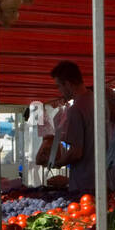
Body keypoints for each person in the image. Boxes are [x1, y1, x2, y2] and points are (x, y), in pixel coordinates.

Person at [50, 61, 96, 196]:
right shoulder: (98, 102)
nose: (60, 91)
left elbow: (76, 152)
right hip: (104, 178)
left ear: (68, 84)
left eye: (59, 86)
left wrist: (58, 163)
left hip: (85, 182)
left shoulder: (76, 109)